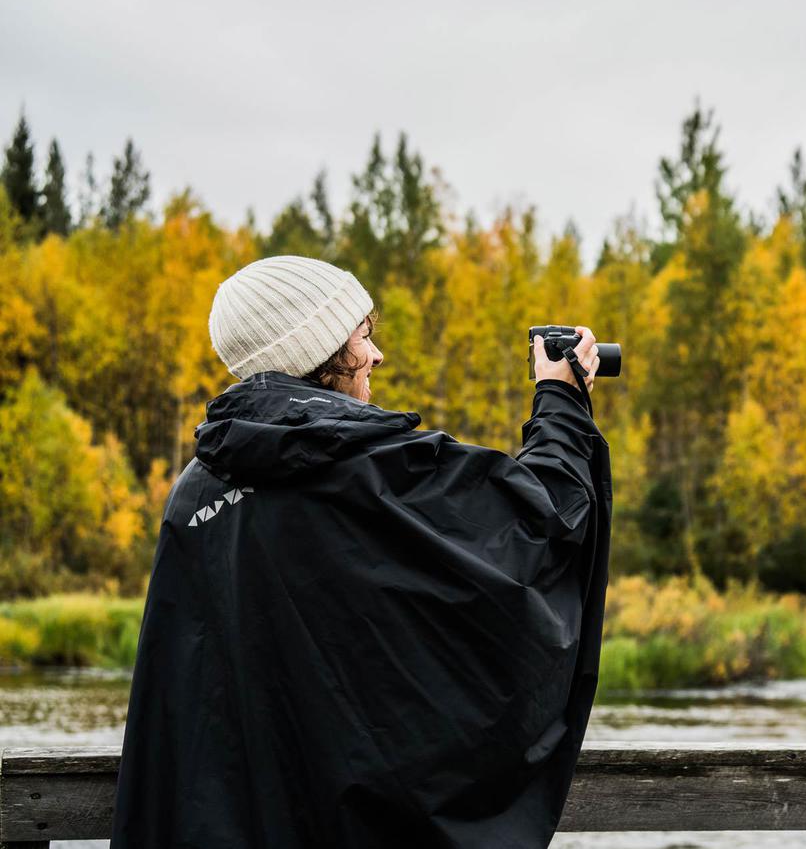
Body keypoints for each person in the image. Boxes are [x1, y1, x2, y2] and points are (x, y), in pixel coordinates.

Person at [109, 255, 613, 848]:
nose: (376, 355)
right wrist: (560, 398)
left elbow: (177, 718)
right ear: (318, 350)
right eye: (362, 335)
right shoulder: (371, 466)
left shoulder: (196, 494)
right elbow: (536, 528)